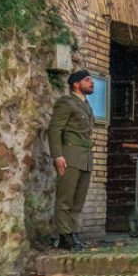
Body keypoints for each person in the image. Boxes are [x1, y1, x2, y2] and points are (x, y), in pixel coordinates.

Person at [47, 69, 94, 250]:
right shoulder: (66, 103)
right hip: (70, 155)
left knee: (78, 199)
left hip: (86, 157)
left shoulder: (86, 105)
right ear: (76, 84)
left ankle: (74, 233)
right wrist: (58, 155)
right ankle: (64, 235)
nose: (92, 82)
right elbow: (55, 129)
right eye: (87, 80)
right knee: (65, 198)